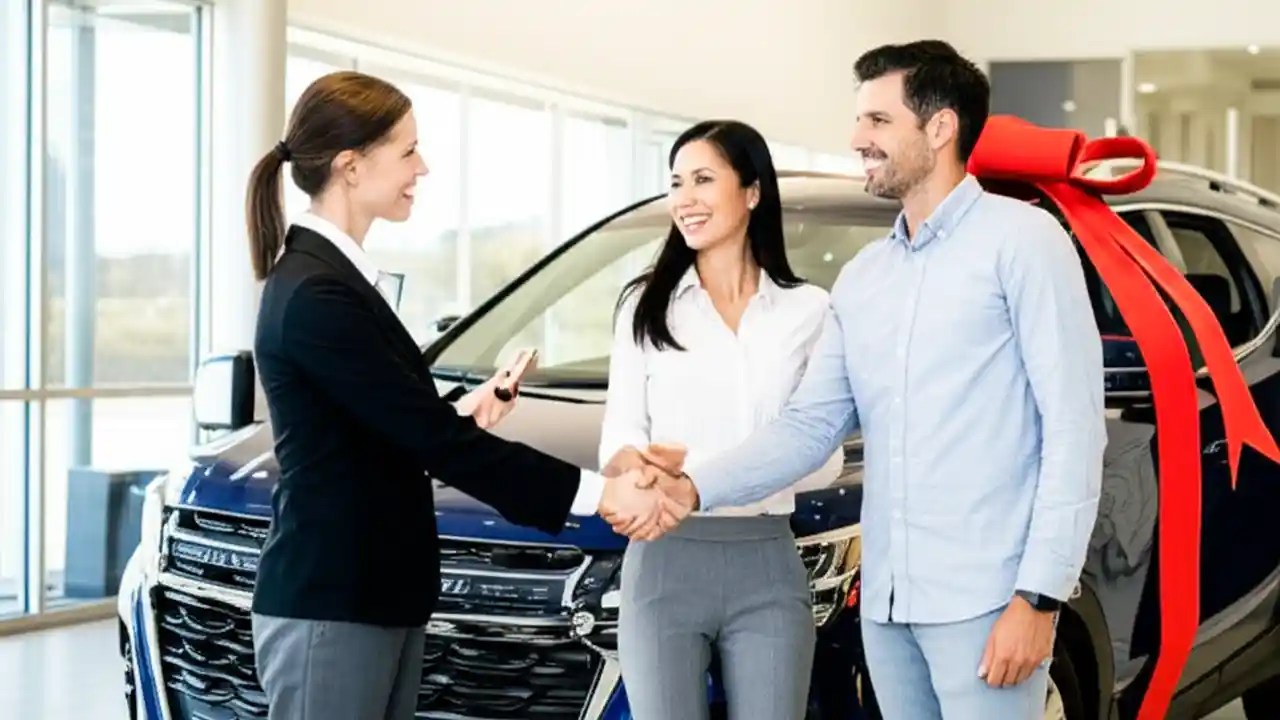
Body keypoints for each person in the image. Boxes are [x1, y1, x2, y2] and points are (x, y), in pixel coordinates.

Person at [638, 41, 1105, 719]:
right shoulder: (864, 278)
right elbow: (808, 427)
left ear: (940, 127)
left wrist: (1039, 597)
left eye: (878, 121)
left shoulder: (1024, 243)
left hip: (988, 600)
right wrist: (691, 487)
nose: (858, 139)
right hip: (887, 608)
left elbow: (1072, 428)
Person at [244, 70, 687, 720]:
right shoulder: (317, 293)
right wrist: (601, 493)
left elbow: (379, 428)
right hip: (333, 601)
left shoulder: (337, 280)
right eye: (406, 150)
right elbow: (432, 443)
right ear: (350, 166)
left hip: (374, 596)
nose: (421, 167)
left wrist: (461, 413)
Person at [598, 119, 843, 720]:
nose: (685, 198)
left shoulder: (810, 311)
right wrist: (638, 469)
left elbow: (825, 450)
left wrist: (704, 477)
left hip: (767, 561)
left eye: (704, 179)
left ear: (752, 190)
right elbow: (622, 434)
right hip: (663, 564)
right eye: (677, 182)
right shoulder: (643, 305)